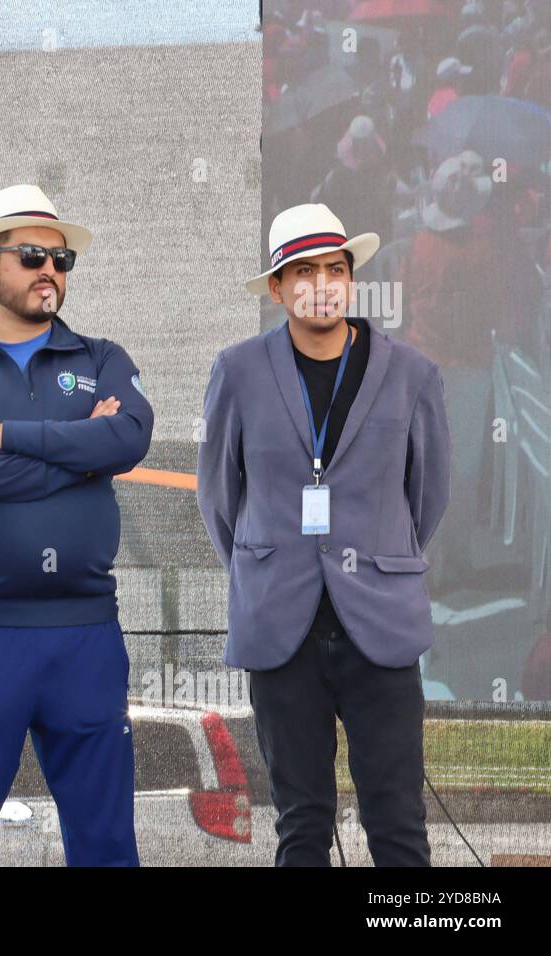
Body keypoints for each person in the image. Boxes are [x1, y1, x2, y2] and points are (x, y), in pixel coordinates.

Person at [0, 184, 154, 866]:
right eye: (32, 255)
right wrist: (78, 453)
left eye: (61, 258)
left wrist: (7, 434)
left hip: (85, 632)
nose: (51, 269)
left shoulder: (103, 357)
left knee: (105, 842)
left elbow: (129, 439)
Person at [197, 202, 451, 866]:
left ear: (352, 279)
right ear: (277, 288)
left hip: (382, 626)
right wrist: (271, 565)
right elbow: (221, 499)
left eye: (335, 269)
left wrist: (376, 557)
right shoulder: (239, 371)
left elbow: (427, 498)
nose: (322, 283)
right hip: (283, 628)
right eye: (302, 271)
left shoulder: (411, 374)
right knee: (301, 823)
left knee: (396, 823)